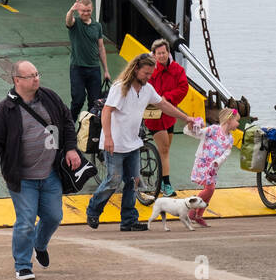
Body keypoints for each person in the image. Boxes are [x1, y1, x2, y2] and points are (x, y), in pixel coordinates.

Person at [0, 60, 82, 280]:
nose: (36, 78)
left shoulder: (50, 98)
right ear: (17, 80)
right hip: (22, 177)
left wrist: (71, 149)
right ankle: (23, 264)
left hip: (51, 174)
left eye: (37, 74)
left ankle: (40, 244)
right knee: (26, 221)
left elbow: (66, 122)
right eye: (30, 76)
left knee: (54, 217)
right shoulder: (5, 109)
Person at [84, 53, 201, 231]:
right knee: (113, 181)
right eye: (146, 73)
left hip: (133, 143)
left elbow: (163, 105)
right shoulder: (120, 87)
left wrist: (186, 118)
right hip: (115, 143)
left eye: (151, 74)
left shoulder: (147, 89)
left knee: (133, 182)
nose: (148, 77)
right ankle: (93, 210)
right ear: (136, 69)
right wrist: (107, 137)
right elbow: (107, 111)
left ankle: (128, 221)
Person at [146, 39, 189, 197]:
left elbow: (183, 87)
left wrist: (168, 97)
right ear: (154, 55)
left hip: (169, 115)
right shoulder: (149, 70)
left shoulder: (177, 69)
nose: (162, 56)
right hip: (154, 116)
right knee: (164, 150)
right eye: (159, 54)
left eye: (164, 52)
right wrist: (157, 99)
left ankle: (163, 181)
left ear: (168, 53)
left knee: (165, 150)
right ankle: (167, 184)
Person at [183, 107, 240, 226]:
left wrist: (217, 162)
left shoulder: (230, 139)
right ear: (229, 120)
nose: (238, 124)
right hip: (203, 163)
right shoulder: (214, 129)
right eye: (237, 120)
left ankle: (199, 215)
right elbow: (199, 133)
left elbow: (226, 153)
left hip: (213, 168)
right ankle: (192, 209)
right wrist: (194, 125)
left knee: (210, 191)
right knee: (210, 189)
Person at [65, 0, 110, 122]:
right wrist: (71, 10)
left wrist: (106, 70)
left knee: (95, 103)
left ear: (92, 10)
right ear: (79, 10)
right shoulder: (76, 24)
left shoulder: (97, 26)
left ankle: (90, 131)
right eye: (83, 11)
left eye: (88, 11)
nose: (86, 13)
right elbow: (68, 21)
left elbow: (101, 48)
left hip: (94, 69)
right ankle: (69, 125)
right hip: (77, 68)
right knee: (78, 99)